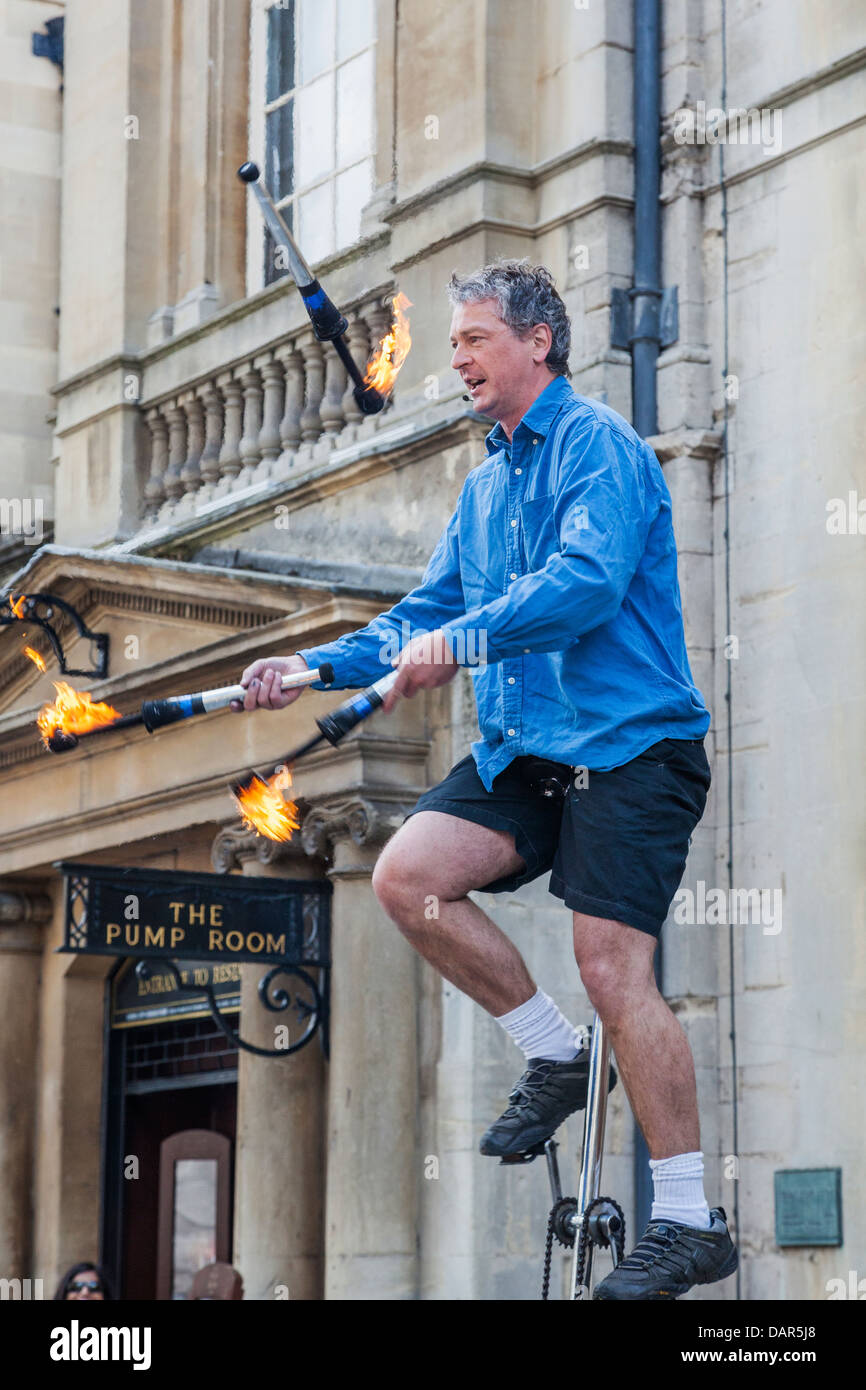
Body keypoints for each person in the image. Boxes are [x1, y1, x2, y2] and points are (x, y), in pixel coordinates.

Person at [232, 258, 738, 1301]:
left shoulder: (599, 446)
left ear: (534, 343)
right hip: (525, 750)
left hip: (629, 745)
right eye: (454, 339)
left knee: (610, 966)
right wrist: (311, 667)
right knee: (406, 875)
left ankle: (689, 1218)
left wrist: (460, 642)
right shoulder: (484, 484)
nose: (453, 356)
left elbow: (583, 587)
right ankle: (556, 1058)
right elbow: (423, 612)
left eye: (471, 338)